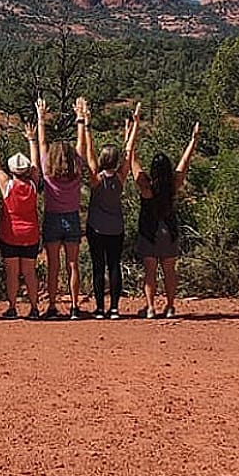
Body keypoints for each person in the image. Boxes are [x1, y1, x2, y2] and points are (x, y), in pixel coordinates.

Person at [131, 119, 200, 319]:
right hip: (168, 231)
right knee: (170, 271)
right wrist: (193, 140)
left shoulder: (145, 186)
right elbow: (185, 163)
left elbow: (131, 160)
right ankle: (170, 307)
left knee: (150, 272)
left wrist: (130, 137)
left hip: (149, 232)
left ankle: (150, 308)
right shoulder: (174, 184)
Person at [78, 97, 140, 320]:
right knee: (114, 265)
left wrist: (86, 123)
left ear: (103, 161)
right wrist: (135, 125)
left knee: (98, 267)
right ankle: (114, 308)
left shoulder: (96, 179)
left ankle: (100, 309)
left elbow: (89, 151)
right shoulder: (121, 178)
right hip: (116, 228)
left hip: (96, 229)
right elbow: (129, 151)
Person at [35, 97, 86, 319]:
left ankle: (53, 306)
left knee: (53, 265)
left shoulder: (47, 168)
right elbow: (81, 145)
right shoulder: (77, 169)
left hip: (52, 218)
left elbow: (42, 142)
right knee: (73, 265)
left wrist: (41, 118)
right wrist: (81, 120)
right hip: (72, 218)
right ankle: (75, 307)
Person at [0, 123, 42, 319]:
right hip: (31, 235)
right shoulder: (33, 184)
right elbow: (36, 163)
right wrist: (31, 139)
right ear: (26, 170)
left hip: (10, 234)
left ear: (12, 170)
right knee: (29, 272)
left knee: (12, 273)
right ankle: (35, 308)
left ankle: (12, 307)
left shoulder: (7, 185)